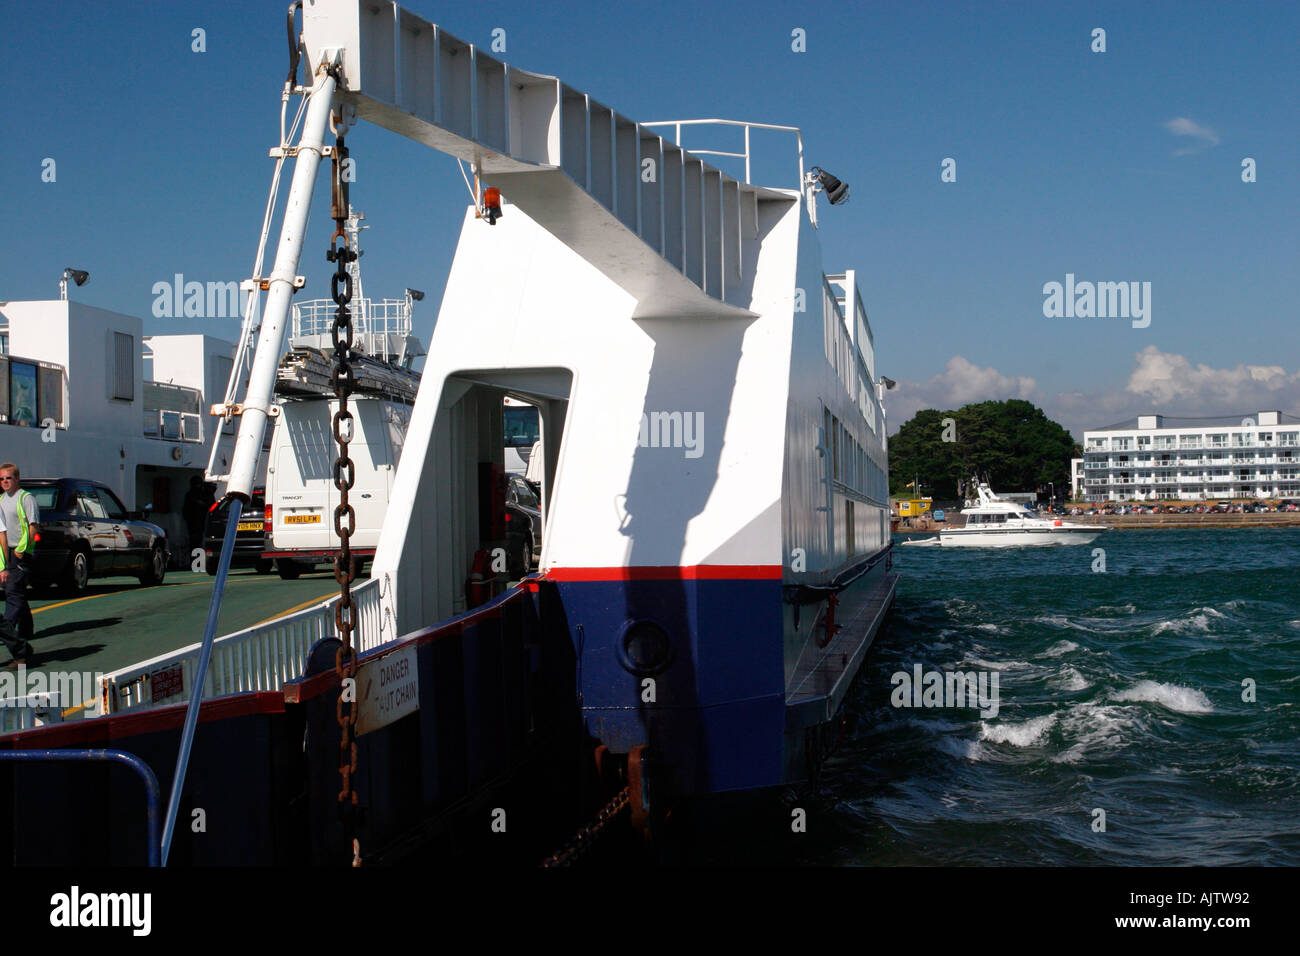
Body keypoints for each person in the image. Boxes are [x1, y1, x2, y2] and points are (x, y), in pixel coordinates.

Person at [0, 464, 34, 668]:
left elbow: (32, 526)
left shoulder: (25, 498)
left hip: (18, 554)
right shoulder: (2, 501)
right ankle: (23, 641)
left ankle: (18, 645)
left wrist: (20, 552)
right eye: (1, 478)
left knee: (14, 594)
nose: (5, 481)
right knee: (17, 594)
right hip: (7, 556)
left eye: (8, 478)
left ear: (17, 478)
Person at [182, 475, 210, 556]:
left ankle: (196, 559)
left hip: (197, 521)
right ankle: (196, 559)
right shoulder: (193, 494)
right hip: (196, 521)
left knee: (196, 540)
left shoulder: (191, 494)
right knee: (196, 541)